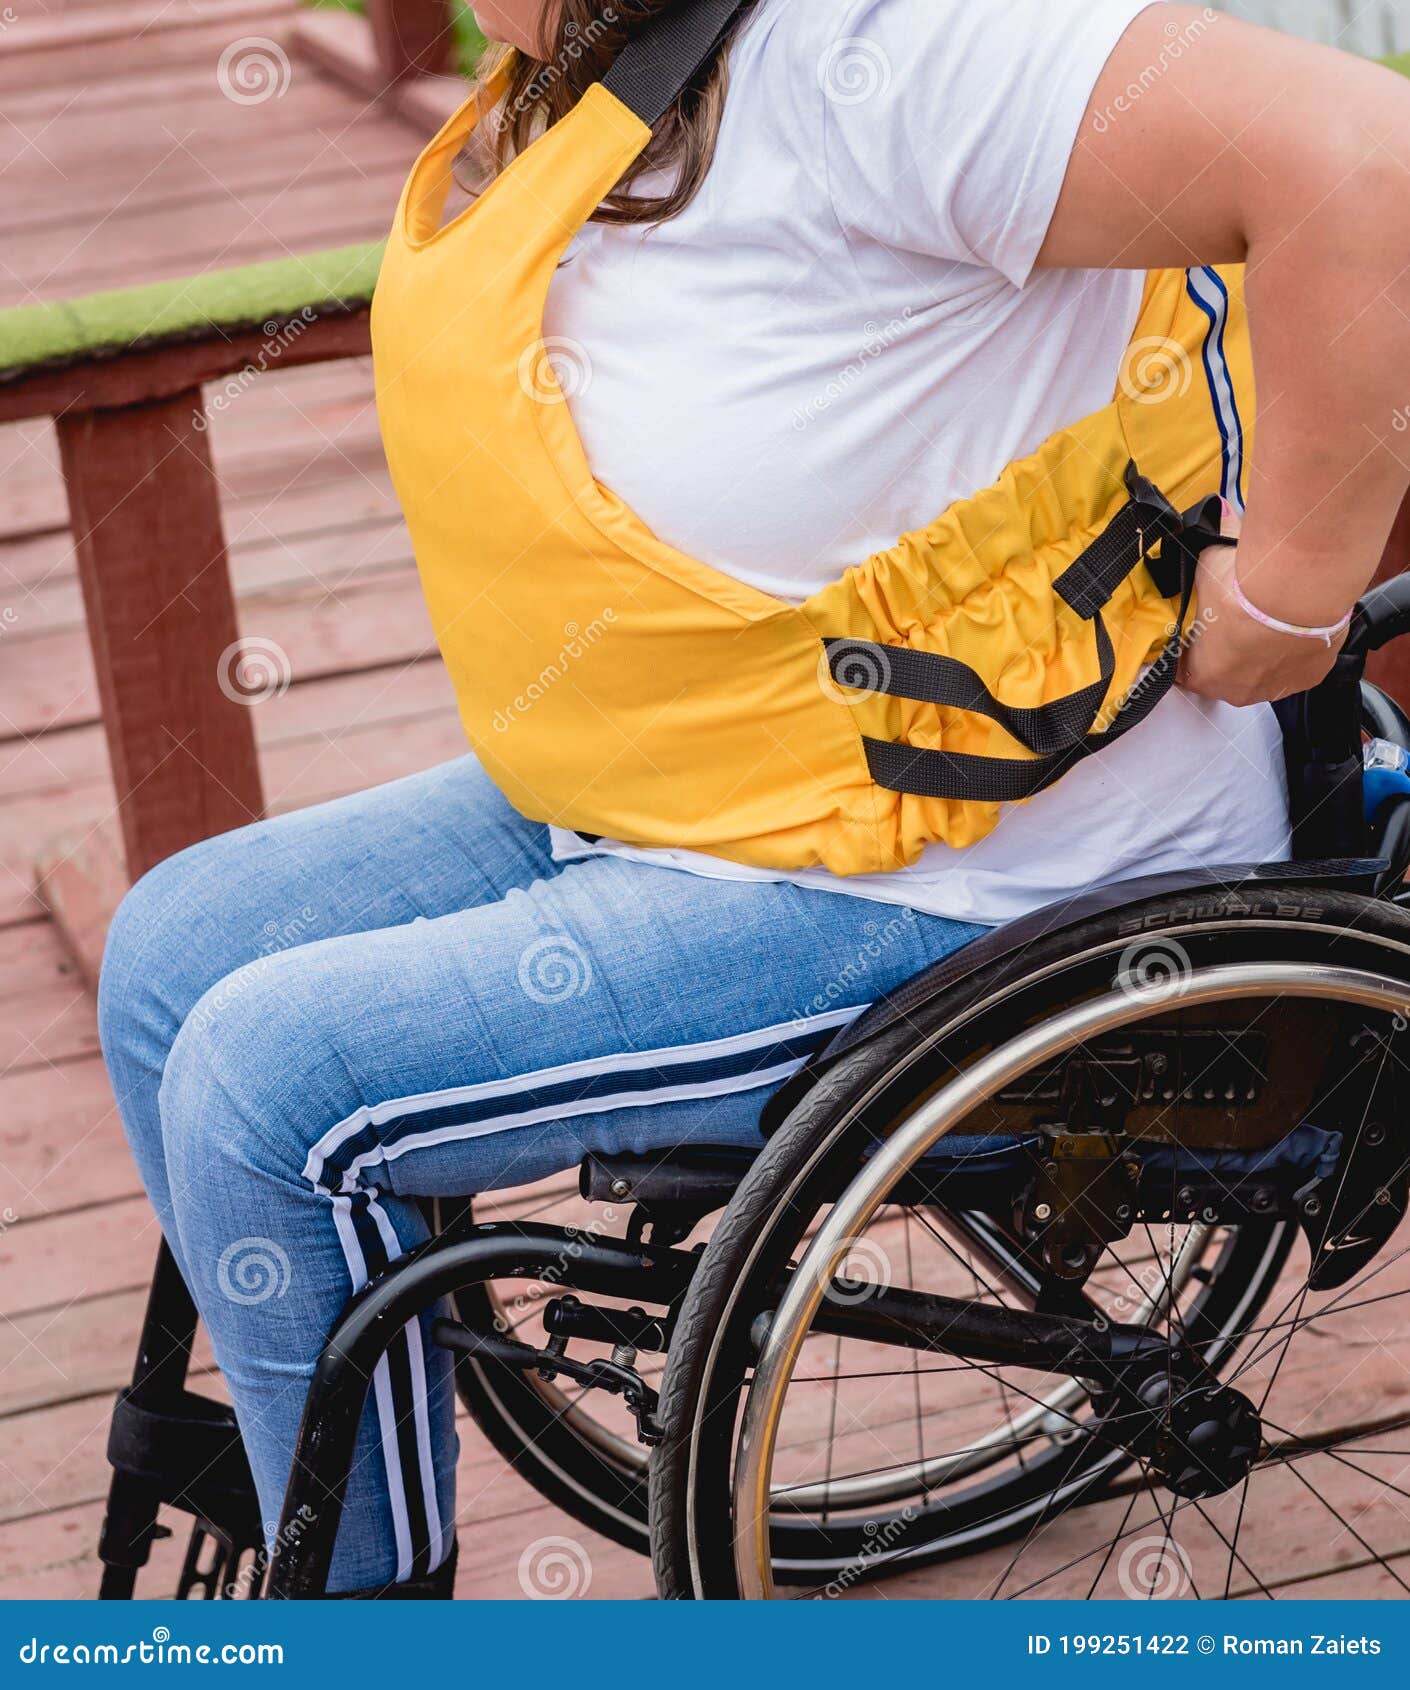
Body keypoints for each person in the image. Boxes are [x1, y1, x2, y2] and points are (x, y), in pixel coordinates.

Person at [98, 0, 1410, 1594]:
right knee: (175, 951)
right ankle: (329, 1489)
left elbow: (1366, 162)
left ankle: (369, 1617)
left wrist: (1283, 602)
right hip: (696, 772)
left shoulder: (892, 38)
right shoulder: (587, 70)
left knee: (268, 1083)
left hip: (956, 871)